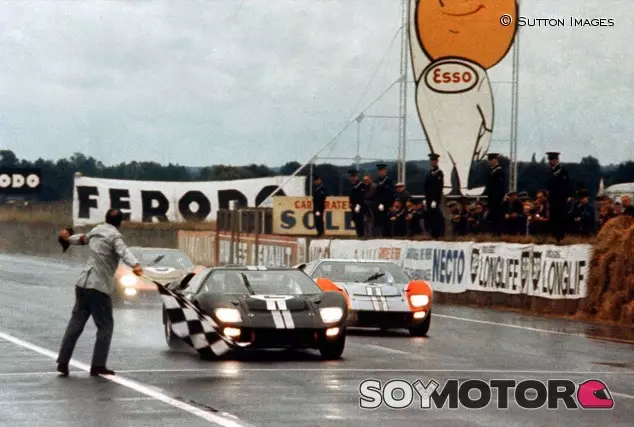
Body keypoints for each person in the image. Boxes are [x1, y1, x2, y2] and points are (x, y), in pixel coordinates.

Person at [56, 209, 143, 377]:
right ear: (120, 222)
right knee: (105, 326)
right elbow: (123, 252)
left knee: (75, 325)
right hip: (98, 287)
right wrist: (136, 265)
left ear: (106, 219)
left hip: (82, 284)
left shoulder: (96, 231)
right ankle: (98, 365)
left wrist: (67, 238)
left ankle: (62, 361)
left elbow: (81, 239)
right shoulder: (115, 237)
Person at [546, 152, 573, 242]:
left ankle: (560, 236)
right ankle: (554, 236)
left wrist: (568, 196)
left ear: (556, 160)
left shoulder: (562, 171)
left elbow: (567, 185)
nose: (550, 161)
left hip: (560, 199)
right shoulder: (550, 171)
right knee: (553, 218)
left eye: (552, 159)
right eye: (549, 160)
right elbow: (549, 186)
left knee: (560, 218)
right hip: (553, 199)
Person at [423, 153, 445, 238]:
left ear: (437, 161)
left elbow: (439, 188)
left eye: (434, 161)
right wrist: (425, 198)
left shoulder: (439, 173)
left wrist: (435, 200)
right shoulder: (429, 172)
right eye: (431, 160)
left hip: (435, 199)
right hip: (428, 198)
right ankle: (430, 233)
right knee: (429, 216)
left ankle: (437, 234)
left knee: (436, 216)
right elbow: (426, 186)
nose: (432, 162)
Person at [484, 153, 505, 235]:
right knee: (493, 217)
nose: (489, 161)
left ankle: (497, 233)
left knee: (497, 216)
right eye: (489, 160)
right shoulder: (492, 171)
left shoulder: (499, 171)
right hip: (492, 198)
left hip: (496, 199)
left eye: (491, 159)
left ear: (495, 160)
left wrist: (498, 198)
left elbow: (500, 187)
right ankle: (494, 233)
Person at [373, 163, 394, 237]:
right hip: (379, 205)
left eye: (382, 170)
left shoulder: (389, 180)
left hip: (387, 204)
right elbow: (376, 194)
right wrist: (378, 203)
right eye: (380, 171)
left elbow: (390, 193)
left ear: (385, 171)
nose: (381, 172)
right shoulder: (377, 181)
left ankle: (387, 237)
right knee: (379, 223)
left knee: (387, 223)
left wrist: (390, 205)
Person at [348, 169, 366, 237]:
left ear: (357, 177)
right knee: (356, 222)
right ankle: (359, 235)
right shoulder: (352, 186)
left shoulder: (361, 185)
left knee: (360, 223)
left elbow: (362, 196)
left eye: (354, 176)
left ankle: (362, 236)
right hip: (353, 207)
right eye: (352, 177)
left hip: (360, 207)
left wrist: (359, 205)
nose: (353, 178)